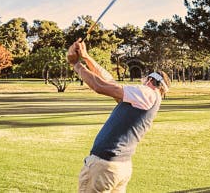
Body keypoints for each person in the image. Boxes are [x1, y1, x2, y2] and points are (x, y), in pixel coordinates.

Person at [68, 39, 170, 192]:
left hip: (104, 166)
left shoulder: (147, 93)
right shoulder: (148, 99)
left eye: (145, 79)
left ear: (150, 80)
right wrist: (86, 57)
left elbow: (100, 86)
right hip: (119, 167)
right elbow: (109, 81)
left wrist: (76, 64)